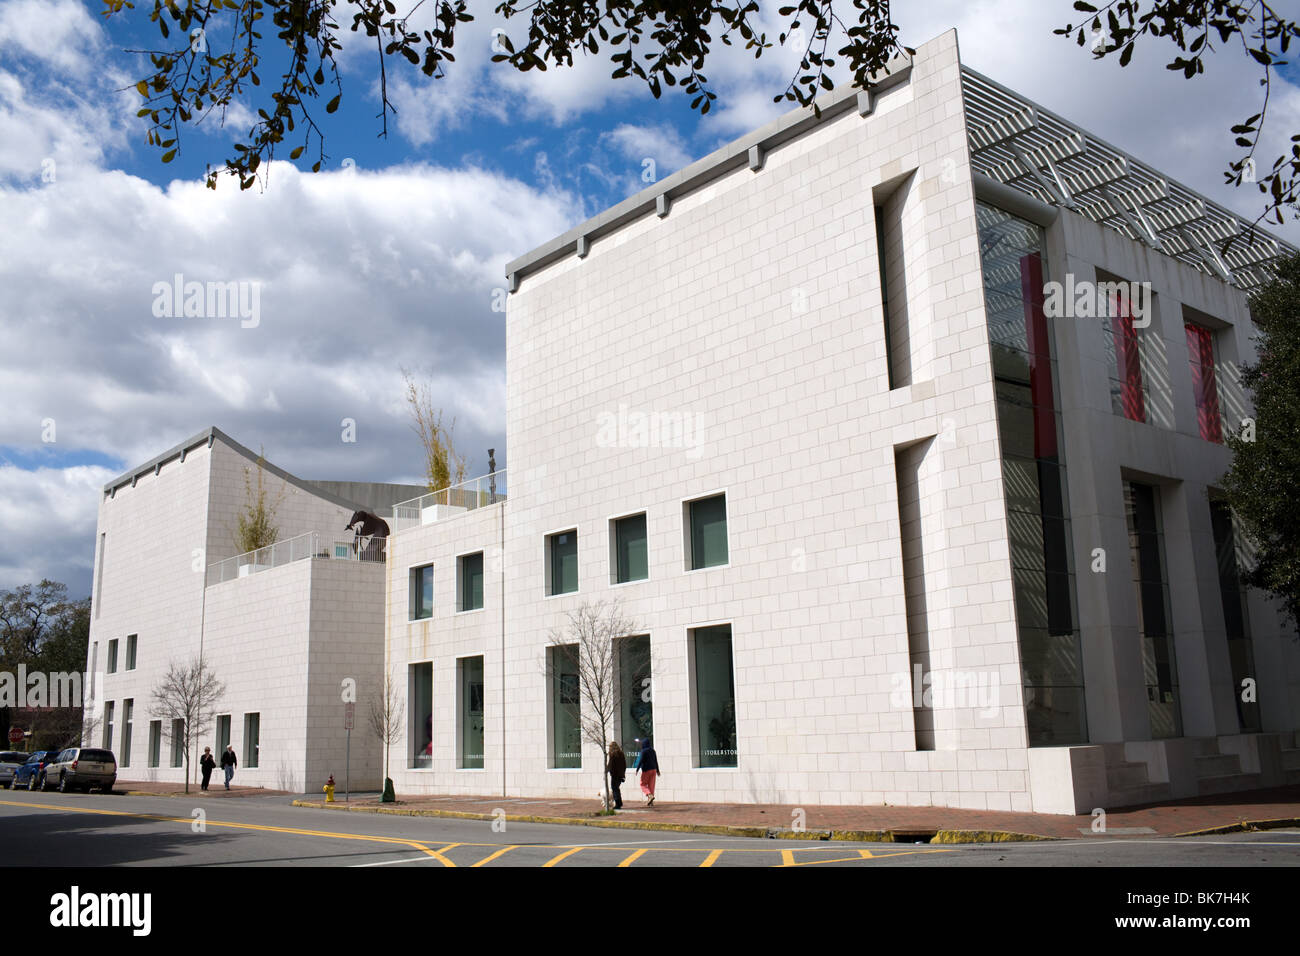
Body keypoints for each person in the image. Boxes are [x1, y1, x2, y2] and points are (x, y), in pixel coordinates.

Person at [636, 737, 660, 806]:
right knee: (651, 786)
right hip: (654, 770)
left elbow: (641, 761)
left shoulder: (643, 751)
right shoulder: (653, 751)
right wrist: (658, 770)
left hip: (646, 770)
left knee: (642, 784)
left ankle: (649, 795)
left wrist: (637, 769)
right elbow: (656, 761)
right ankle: (651, 802)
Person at [606, 741, 626, 810]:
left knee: (614, 788)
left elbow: (611, 765)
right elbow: (624, 764)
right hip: (620, 774)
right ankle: (619, 803)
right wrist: (623, 773)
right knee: (617, 788)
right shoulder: (621, 753)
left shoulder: (612, 754)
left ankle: (618, 803)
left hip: (614, 774)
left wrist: (607, 770)